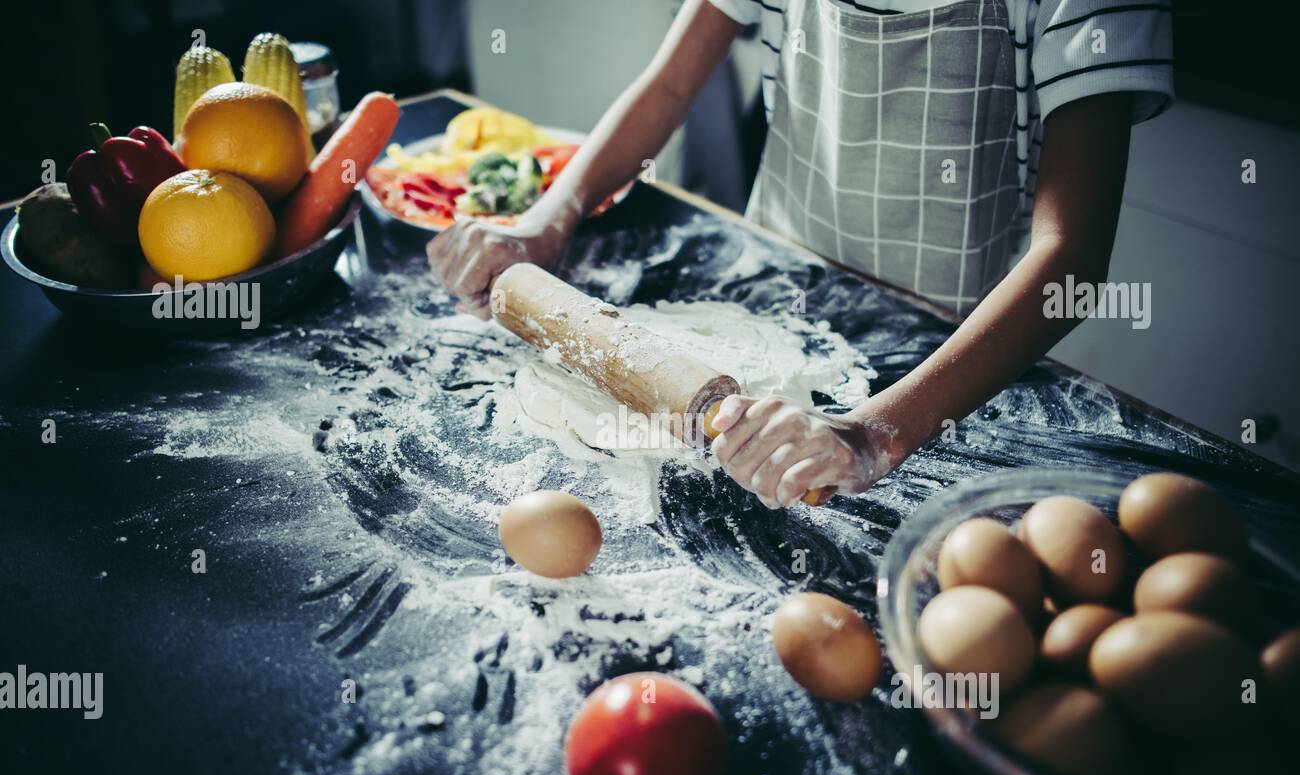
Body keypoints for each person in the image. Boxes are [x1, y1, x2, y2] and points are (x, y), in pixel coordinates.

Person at [428, 0, 1173, 508]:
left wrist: (871, 432)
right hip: (763, 297)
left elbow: (1070, 257)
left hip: (945, 360)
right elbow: (668, 86)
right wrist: (548, 219)